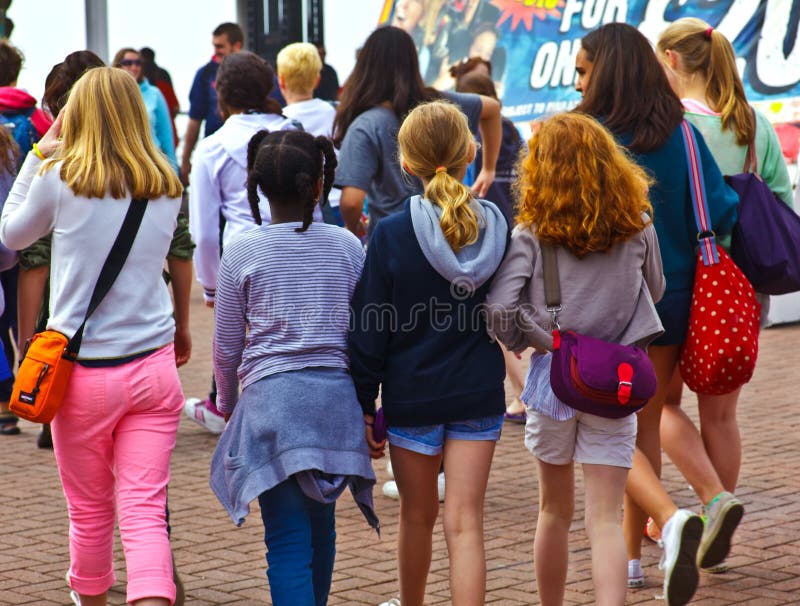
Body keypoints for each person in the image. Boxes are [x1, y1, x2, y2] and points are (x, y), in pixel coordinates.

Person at [0, 66, 188, 606]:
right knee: (145, 510)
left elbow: (10, 234)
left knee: (89, 511)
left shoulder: (61, 178)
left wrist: (37, 156)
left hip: (80, 374)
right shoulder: (167, 183)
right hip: (152, 368)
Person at [574, 23, 740, 605]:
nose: (577, 81)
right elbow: (722, 207)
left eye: (582, 70)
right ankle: (634, 561)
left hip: (611, 305)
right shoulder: (683, 135)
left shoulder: (590, 136)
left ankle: (660, 531)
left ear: (606, 72)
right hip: (675, 296)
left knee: (615, 436)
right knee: (642, 427)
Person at [486, 111, 665, 606]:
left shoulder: (532, 233)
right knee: (604, 516)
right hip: (617, 381)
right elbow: (656, 289)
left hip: (553, 380)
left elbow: (499, 308)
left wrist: (537, 337)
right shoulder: (638, 225)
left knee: (553, 511)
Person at [349, 100, 508, 606]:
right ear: (468, 153)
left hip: (412, 394)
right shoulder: (497, 227)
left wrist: (364, 402)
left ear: (407, 163)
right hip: (479, 391)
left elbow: (369, 327)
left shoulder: (392, 233)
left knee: (417, 517)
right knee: (466, 522)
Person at [210, 128, 377, 606]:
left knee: (285, 541)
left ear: (259, 186)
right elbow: (363, 336)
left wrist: (228, 404)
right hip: (334, 408)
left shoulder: (242, 249)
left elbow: (225, 349)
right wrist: (368, 404)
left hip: (271, 413)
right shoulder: (346, 246)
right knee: (321, 531)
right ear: (319, 183)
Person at [652, 17, 793, 571]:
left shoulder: (668, 125)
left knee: (662, 404)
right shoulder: (752, 124)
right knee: (722, 415)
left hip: (678, 281)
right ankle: (717, 528)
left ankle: (705, 503)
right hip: (736, 289)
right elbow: (779, 200)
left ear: (672, 61)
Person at [185, 51, 302, 433]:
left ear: (220, 92)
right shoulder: (293, 129)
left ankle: (229, 408)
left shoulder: (212, 147)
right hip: (300, 246)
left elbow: (202, 230)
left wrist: (212, 285)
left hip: (243, 256)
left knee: (243, 342)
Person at [333, 25, 502, 240]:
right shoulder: (438, 104)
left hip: (396, 240)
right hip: (453, 231)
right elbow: (493, 109)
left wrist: (354, 225)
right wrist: (489, 169)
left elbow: (351, 201)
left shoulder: (365, 125)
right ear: (412, 62)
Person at [453, 69, 526, 422]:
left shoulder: (472, 140)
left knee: (496, 319)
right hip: (516, 227)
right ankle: (524, 394)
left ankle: (525, 394)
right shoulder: (511, 130)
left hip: (486, 231)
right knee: (512, 314)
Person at [0, 39, 52, 437]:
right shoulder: (36, 118)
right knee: (28, 317)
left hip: (7, 230)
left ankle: (4, 404)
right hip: (32, 232)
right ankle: (38, 386)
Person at [277, 42, 342, 225]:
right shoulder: (335, 113)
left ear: (280, 80)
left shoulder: (279, 122)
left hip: (302, 211)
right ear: (317, 79)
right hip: (338, 205)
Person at [180, 22, 244, 184]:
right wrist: (186, 160)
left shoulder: (254, 71)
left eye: (220, 46)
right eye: (214, 46)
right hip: (215, 153)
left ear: (236, 46)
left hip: (248, 151)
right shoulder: (205, 74)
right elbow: (195, 119)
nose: (216, 51)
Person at [112, 48, 178, 173]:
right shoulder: (109, 94)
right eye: (128, 63)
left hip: (151, 166)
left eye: (138, 63)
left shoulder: (155, 94)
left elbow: (166, 137)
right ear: (118, 65)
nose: (134, 67)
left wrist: (174, 174)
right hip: (119, 167)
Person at [140, 47, 180, 148]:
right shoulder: (163, 75)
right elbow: (175, 108)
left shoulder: (145, 85)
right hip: (168, 134)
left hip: (154, 140)